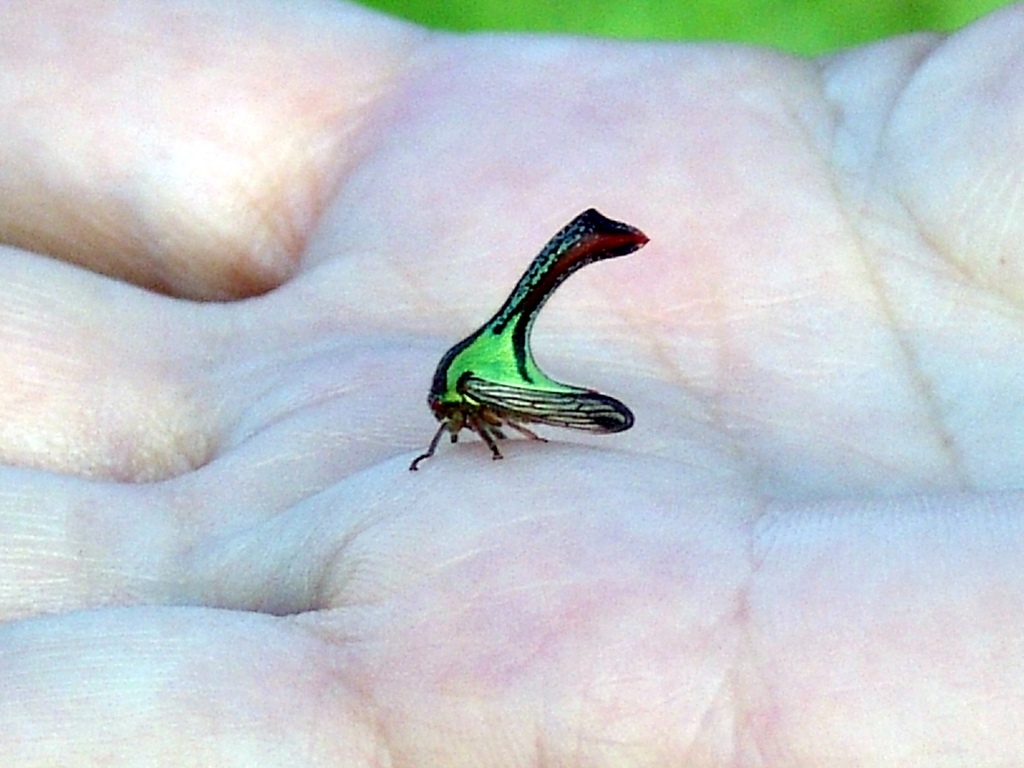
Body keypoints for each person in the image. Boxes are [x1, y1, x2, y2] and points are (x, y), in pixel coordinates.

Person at [2, 0, 1022, 763]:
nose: (461, 431)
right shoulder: (461, 405)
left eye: (462, 423)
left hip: (494, 367)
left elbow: (499, 411)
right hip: (487, 369)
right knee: (543, 341)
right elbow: (481, 414)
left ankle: (581, 249)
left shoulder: (473, 400)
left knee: (543, 324)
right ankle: (577, 252)